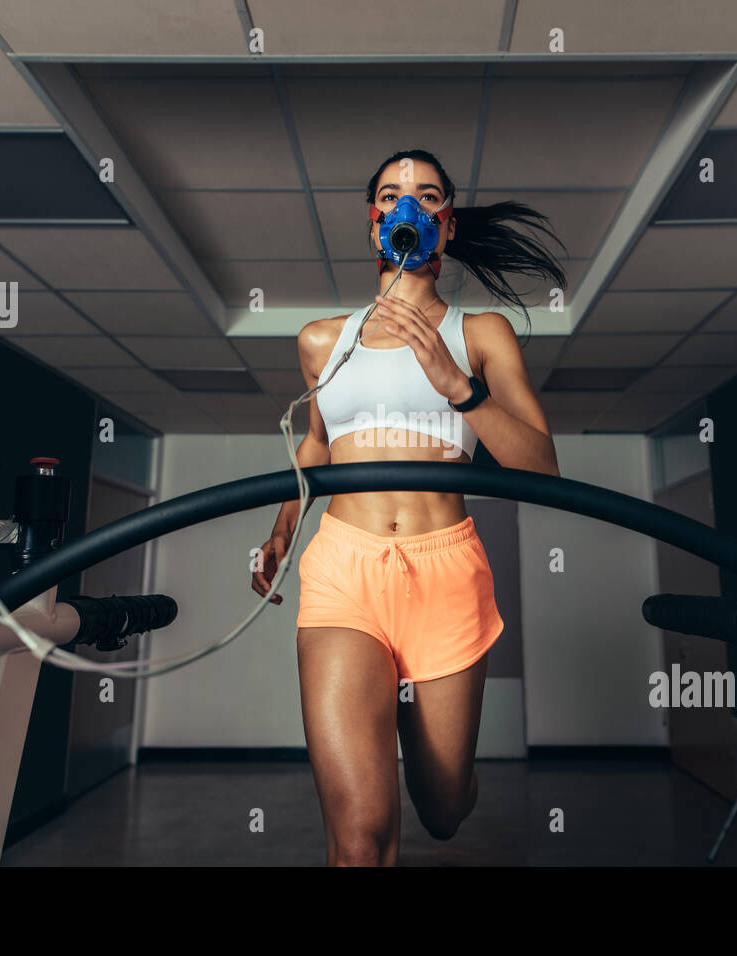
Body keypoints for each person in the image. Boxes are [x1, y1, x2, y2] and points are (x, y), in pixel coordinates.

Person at [250, 148, 566, 866]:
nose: (406, 206)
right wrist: (279, 534)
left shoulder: (481, 335)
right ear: (373, 226)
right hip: (344, 573)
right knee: (361, 834)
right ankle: (373, 686)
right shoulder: (322, 341)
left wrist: (460, 386)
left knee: (445, 809)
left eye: (426, 195)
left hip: (446, 572)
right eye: (391, 194)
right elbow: (316, 447)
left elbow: (543, 467)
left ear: (445, 227)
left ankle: (412, 723)